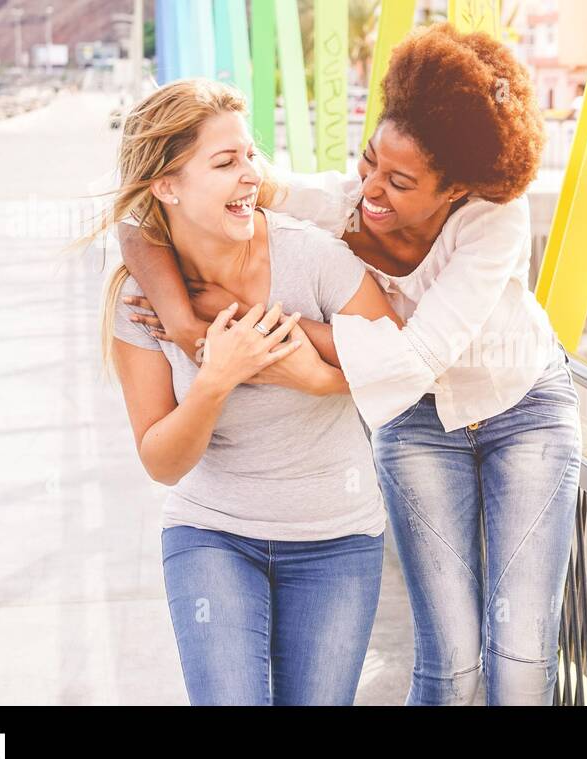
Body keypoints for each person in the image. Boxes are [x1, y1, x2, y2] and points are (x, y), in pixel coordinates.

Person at [120, 23, 582, 705]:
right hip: (414, 423)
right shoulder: (349, 204)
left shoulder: (494, 223)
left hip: (521, 411)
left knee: (518, 657)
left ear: (453, 189)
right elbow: (143, 220)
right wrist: (190, 323)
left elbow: (415, 356)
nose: (371, 190)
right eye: (369, 162)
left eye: (399, 181)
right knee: (450, 659)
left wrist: (279, 336)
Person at [94, 78, 401, 705]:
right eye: (226, 162)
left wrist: (310, 376)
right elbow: (161, 460)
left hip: (336, 542)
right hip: (213, 535)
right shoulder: (141, 295)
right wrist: (213, 382)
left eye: (251, 156)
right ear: (167, 185)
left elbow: (400, 368)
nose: (251, 176)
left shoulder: (312, 258)